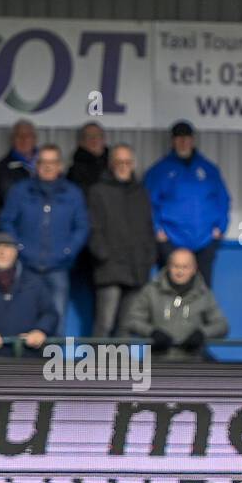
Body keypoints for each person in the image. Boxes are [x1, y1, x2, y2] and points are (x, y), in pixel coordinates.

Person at [0, 143, 89, 325]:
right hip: (26, 266)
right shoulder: (20, 191)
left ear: (60, 166)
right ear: (36, 165)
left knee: (57, 319)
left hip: (59, 267)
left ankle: (55, 347)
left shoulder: (73, 193)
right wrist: (19, 248)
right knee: (23, 318)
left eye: (52, 162)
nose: (48, 167)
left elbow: (82, 227)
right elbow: (6, 221)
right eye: (43, 162)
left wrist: (67, 251)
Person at [143, 120, 230, 286]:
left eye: (186, 138)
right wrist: (157, 231)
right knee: (170, 290)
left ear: (192, 140)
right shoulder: (159, 171)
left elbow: (223, 199)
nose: (183, 142)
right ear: (172, 141)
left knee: (202, 290)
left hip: (204, 240)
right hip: (171, 241)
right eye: (179, 138)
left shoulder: (208, 169)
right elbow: (147, 203)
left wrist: (221, 227)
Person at [87, 144, 157, 338]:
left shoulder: (141, 193)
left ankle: (121, 360)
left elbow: (148, 228)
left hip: (137, 269)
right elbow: (93, 228)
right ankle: (97, 360)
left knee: (127, 327)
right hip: (109, 268)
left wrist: (149, 258)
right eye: (119, 162)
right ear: (111, 164)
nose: (123, 166)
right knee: (105, 324)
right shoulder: (98, 191)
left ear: (133, 164)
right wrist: (103, 256)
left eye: (127, 162)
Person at [120, 248, 229, 361]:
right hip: (158, 361)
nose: (180, 271)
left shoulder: (204, 294)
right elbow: (132, 321)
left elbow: (221, 325)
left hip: (193, 362)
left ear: (194, 269)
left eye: (185, 267)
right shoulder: (151, 291)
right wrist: (152, 332)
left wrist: (202, 334)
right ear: (168, 267)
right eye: (176, 266)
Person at [0, 119, 37, 207]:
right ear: (12, 139)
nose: (24, 139)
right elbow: (7, 198)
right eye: (19, 136)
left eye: (28, 135)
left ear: (35, 139)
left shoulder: (48, 163)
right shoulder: (1, 168)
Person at [66, 122, 109, 192]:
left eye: (97, 135)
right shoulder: (75, 170)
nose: (93, 139)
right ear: (81, 142)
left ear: (103, 139)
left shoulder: (113, 163)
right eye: (89, 136)